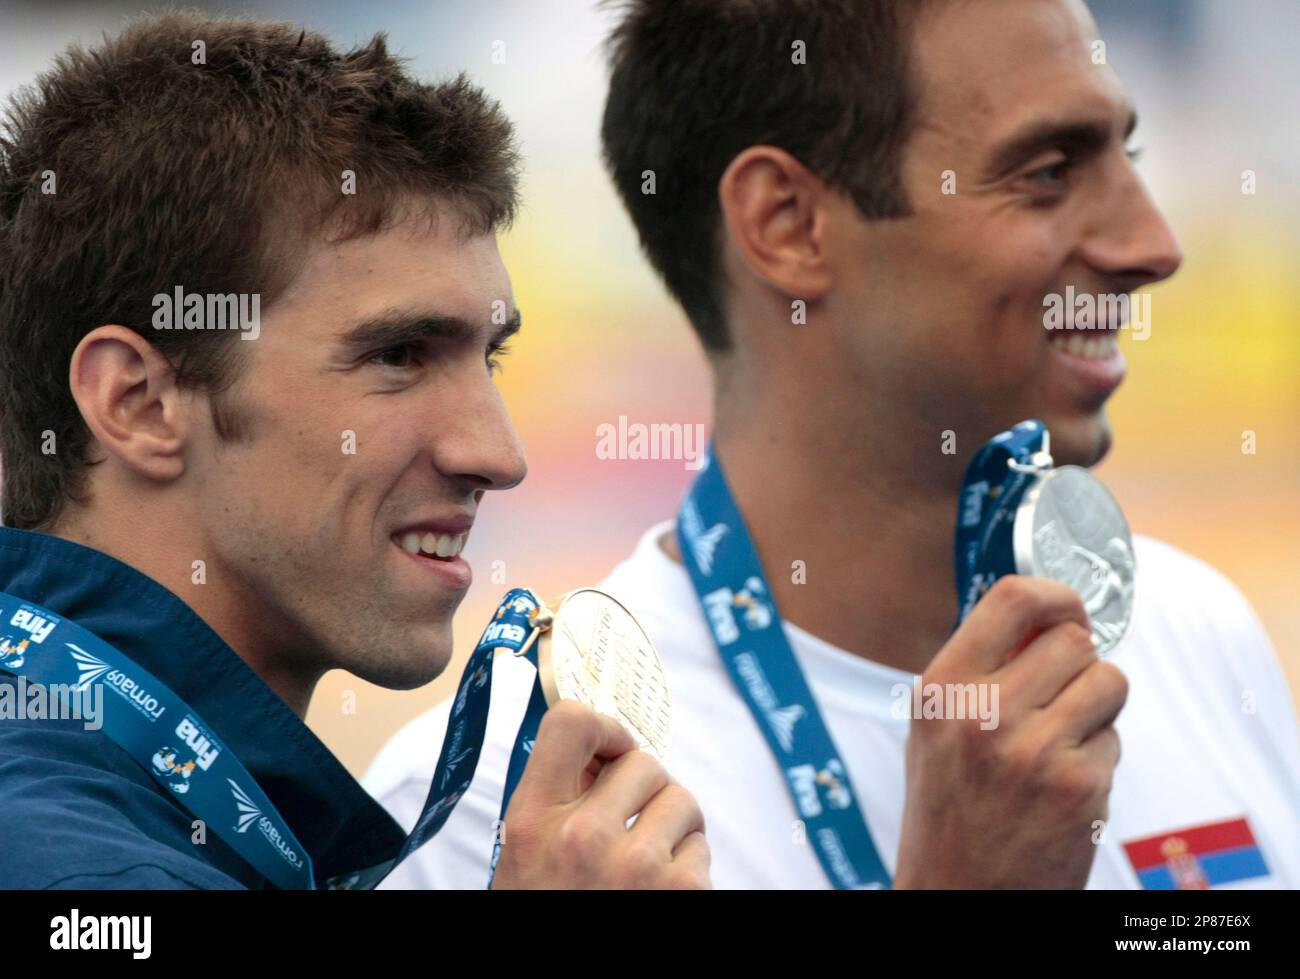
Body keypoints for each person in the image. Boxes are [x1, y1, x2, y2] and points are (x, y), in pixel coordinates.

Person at [367, 0, 1300, 889]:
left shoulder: (1199, 632)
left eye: (1127, 154)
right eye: (1049, 170)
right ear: (787, 223)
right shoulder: (505, 809)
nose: (1154, 243)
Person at [0, 12, 710, 890]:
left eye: (490, 358)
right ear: (139, 403)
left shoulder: (185, 813)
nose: (499, 454)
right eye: (399, 355)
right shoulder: (77, 867)